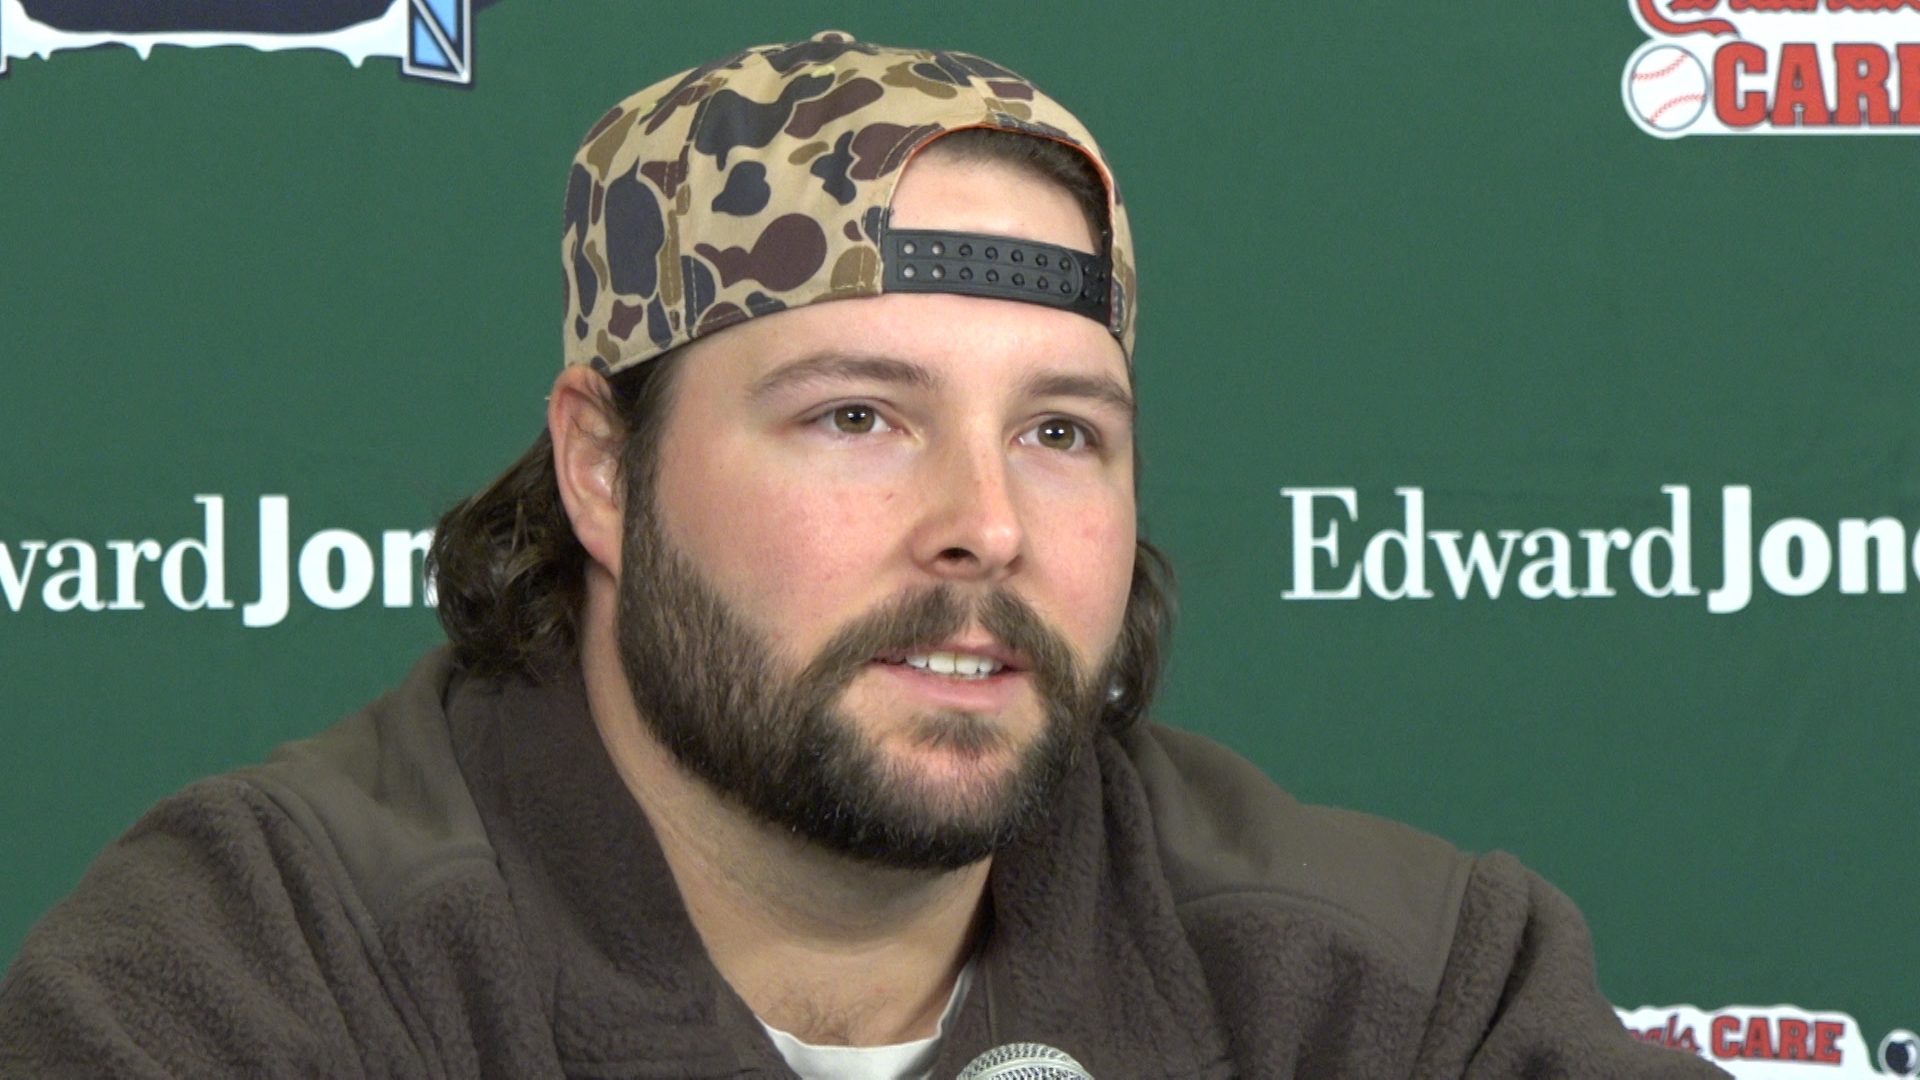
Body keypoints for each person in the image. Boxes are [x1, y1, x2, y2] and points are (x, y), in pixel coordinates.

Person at [0, 32, 1722, 1080]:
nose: (985, 520)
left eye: (1062, 430)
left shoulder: (1397, 992)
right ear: (604, 469)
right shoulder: (256, 969)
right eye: (858, 416)